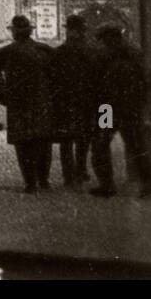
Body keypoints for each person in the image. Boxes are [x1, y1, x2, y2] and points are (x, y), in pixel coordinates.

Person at [0, 15, 53, 192]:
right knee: (42, 141)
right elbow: (57, 77)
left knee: (24, 145)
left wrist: (1, 96)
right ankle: (43, 180)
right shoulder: (44, 50)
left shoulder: (6, 52)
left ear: (14, 31)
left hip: (18, 103)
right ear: (30, 31)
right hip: (41, 102)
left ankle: (30, 183)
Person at [89, 26, 151, 199]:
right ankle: (146, 182)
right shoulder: (133, 55)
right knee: (135, 144)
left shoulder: (103, 57)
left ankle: (107, 185)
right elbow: (145, 81)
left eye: (104, 39)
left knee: (102, 144)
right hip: (126, 107)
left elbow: (96, 84)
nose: (103, 43)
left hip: (108, 108)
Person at [50, 15, 95, 188]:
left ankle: (69, 175)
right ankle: (81, 170)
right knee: (84, 138)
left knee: (66, 140)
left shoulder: (59, 52)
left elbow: (52, 79)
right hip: (86, 101)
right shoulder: (91, 51)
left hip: (65, 102)